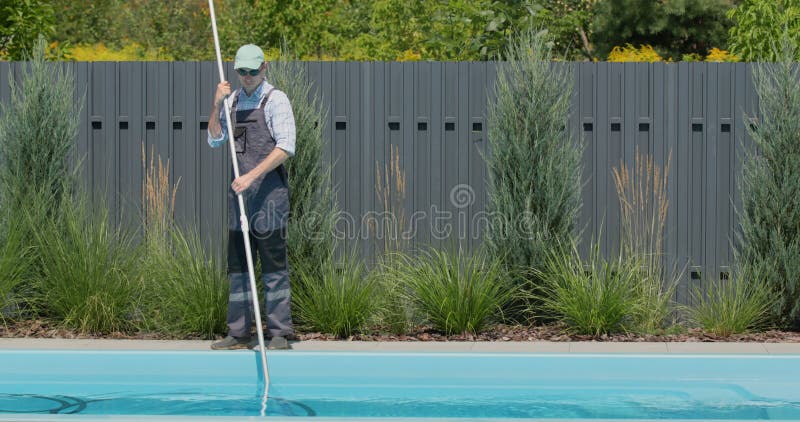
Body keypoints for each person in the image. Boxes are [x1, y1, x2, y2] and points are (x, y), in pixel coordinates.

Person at [207, 44, 295, 350]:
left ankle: (280, 333)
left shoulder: (276, 100)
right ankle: (239, 332)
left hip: (269, 199)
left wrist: (250, 176)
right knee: (239, 268)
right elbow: (215, 140)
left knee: (273, 267)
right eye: (241, 71)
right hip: (240, 200)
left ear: (264, 67)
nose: (246, 77)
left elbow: (285, 148)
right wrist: (216, 105)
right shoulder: (230, 102)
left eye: (252, 71)